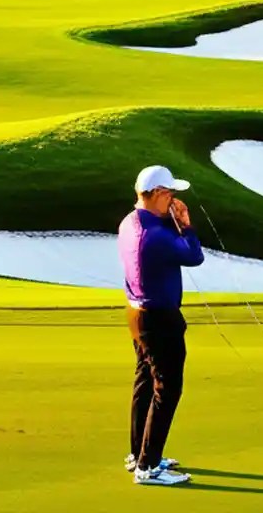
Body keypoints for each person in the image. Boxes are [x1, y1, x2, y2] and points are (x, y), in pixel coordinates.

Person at [118, 164, 205, 486]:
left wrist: (170, 219)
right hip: (159, 318)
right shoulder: (154, 236)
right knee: (166, 390)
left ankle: (138, 453)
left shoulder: (130, 222)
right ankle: (148, 467)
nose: (172, 199)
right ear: (155, 193)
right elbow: (194, 256)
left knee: (145, 382)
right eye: (169, 194)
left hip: (137, 314)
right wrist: (186, 224)